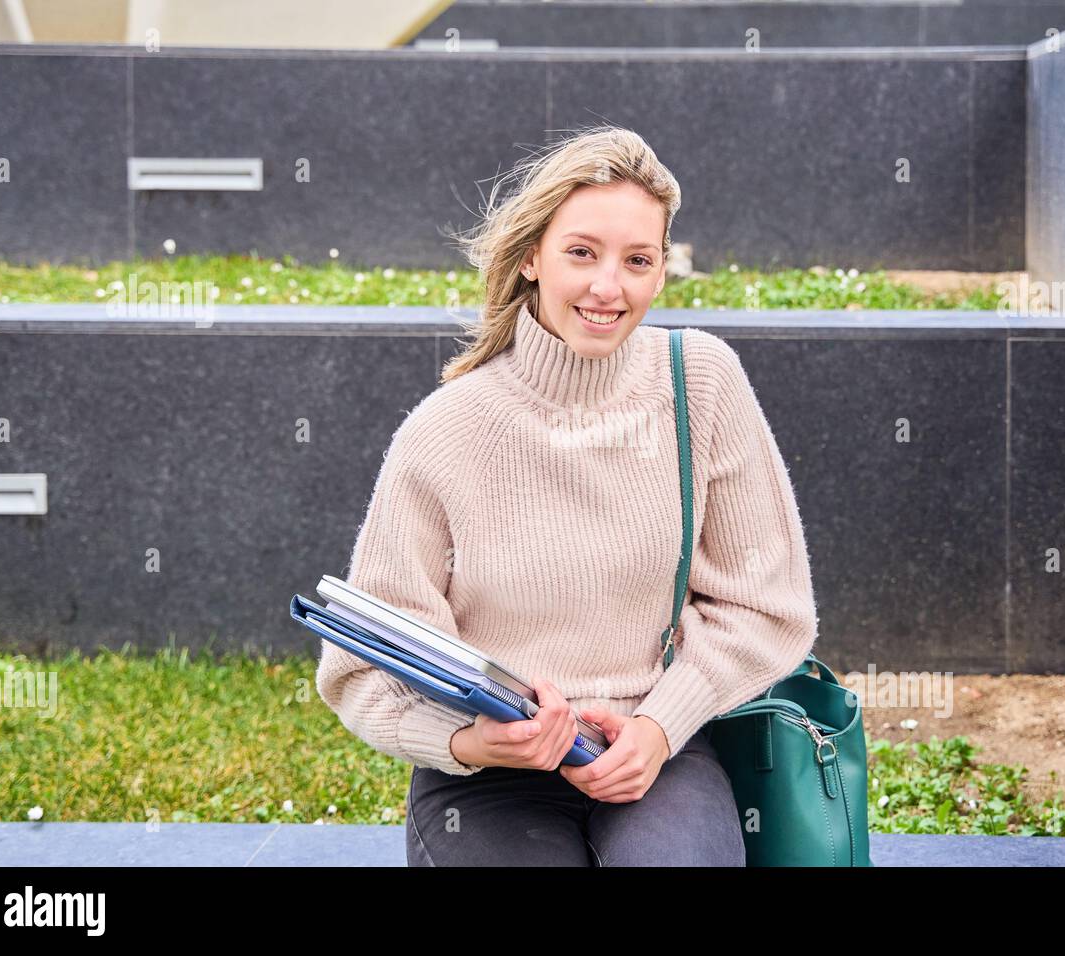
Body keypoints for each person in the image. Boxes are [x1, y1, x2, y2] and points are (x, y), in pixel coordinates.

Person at [315, 126, 819, 866]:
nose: (608, 287)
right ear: (530, 257)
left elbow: (766, 604)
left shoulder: (701, 383)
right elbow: (361, 666)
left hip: (656, 750)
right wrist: (468, 740)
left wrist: (658, 727)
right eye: (581, 252)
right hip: (488, 776)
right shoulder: (445, 430)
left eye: (637, 261)